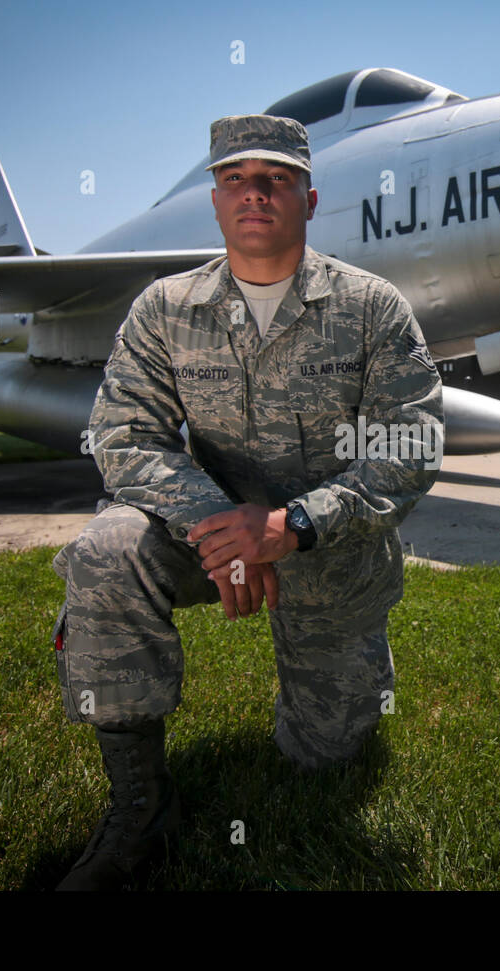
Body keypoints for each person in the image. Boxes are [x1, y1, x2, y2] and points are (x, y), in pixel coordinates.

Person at [50, 113, 444, 890]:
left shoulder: (371, 307)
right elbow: (123, 435)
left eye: (276, 179)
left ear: (309, 197)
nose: (254, 193)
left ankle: (350, 672)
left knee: (324, 756)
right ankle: (138, 807)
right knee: (106, 550)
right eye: (235, 180)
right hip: (212, 540)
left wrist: (291, 526)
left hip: (331, 557)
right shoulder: (165, 308)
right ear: (216, 201)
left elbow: (412, 447)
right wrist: (216, 524)